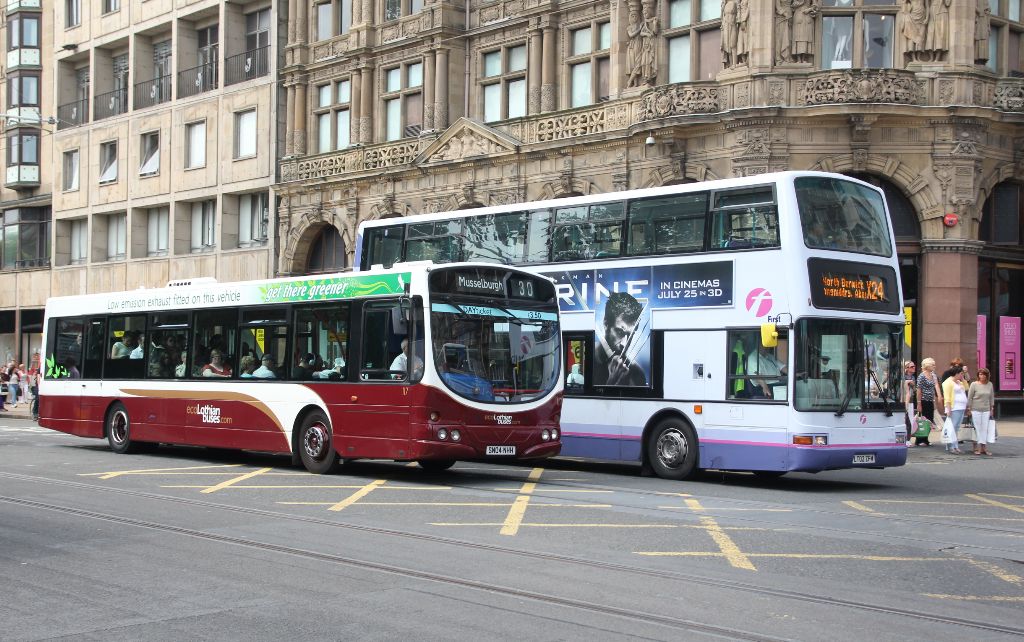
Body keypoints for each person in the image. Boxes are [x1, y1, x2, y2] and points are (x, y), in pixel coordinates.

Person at [593, 292, 647, 387]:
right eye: (620, 332)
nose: (624, 343)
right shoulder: (585, 356)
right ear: (606, 324)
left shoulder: (636, 373)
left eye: (630, 335)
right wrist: (611, 385)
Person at [915, 357, 943, 447]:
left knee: (929, 420)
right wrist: (919, 403)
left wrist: (939, 396)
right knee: (922, 420)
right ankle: (919, 440)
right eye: (932, 365)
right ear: (927, 366)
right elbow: (918, 390)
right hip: (923, 400)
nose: (934, 366)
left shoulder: (933, 375)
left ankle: (926, 438)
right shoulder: (921, 376)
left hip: (931, 400)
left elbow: (936, 385)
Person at [967, 367, 995, 456]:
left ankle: (984, 447)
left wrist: (992, 408)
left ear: (987, 376)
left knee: (984, 429)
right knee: (977, 429)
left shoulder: (990, 384)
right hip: (975, 409)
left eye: (983, 374)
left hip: (986, 409)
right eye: (980, 374)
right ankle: (977, 447)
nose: (981, 376)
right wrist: (969, 409)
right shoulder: (974, 384)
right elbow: (970, 397)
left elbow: (991, 397)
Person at [941, 365, 968, 454]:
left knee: (956, 427)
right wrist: (948, 409)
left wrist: (962, 379)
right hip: (954, 407)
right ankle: (951, 446)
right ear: (956, 373)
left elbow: (967, 387)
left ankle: (955, 446)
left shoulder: (959, 382)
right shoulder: (948, 382)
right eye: (961, 374)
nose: (961, 376)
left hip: (961, 407)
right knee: (952, 427)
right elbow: (947, 397)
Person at [902, 361, 917, 445]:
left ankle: (908, 439)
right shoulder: (903, 376)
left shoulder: (913, 377)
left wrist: (912, 384)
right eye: (912, 367)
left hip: (910, 400)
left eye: (914, 366)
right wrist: (907, 382)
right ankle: (905, 439)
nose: (914, 368)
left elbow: (914, 389)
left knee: (910, 419)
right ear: (906, 368)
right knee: (905, 420)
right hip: (903, 399)